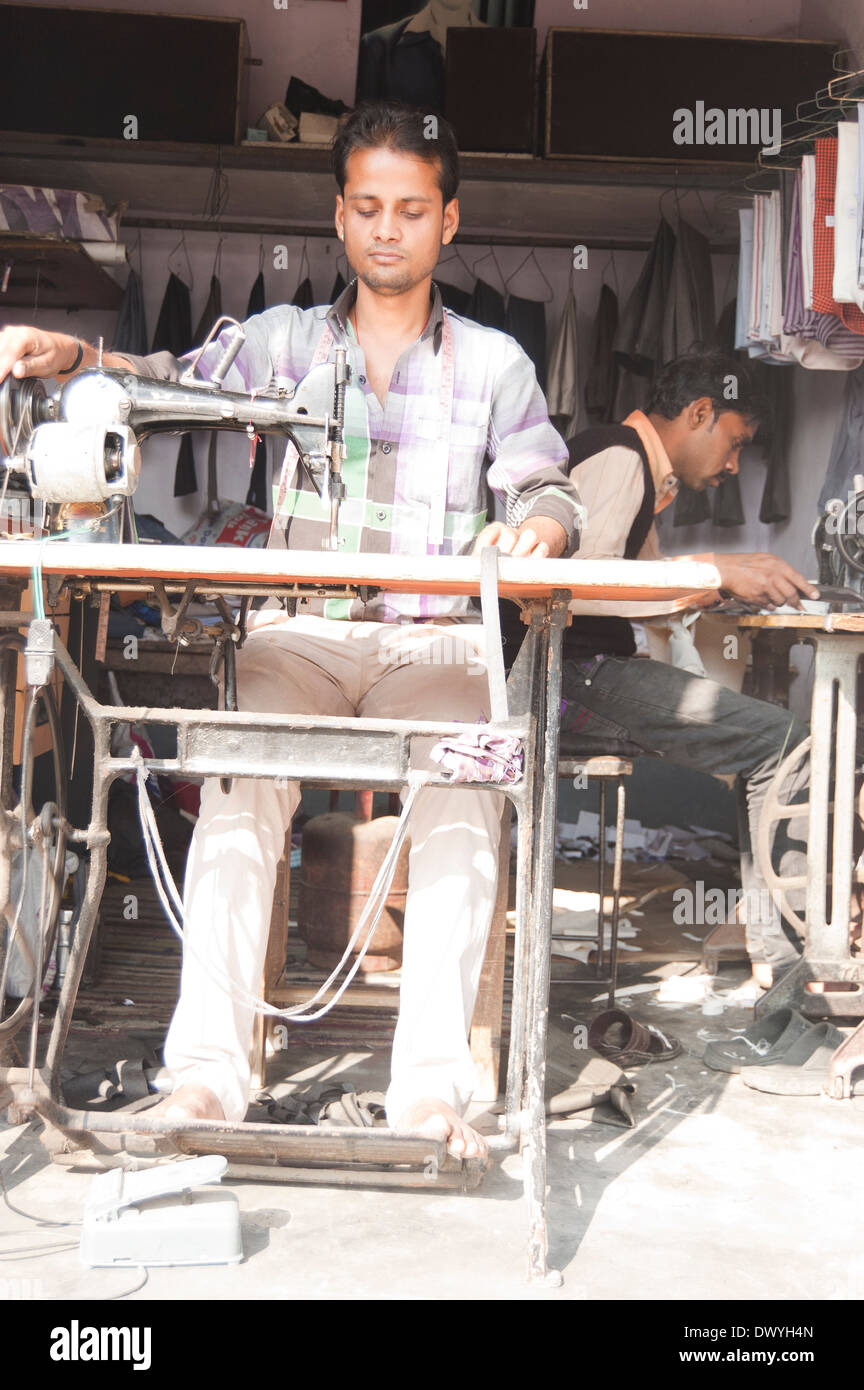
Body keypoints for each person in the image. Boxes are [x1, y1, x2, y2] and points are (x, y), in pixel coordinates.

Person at [0, 101, 583, 1159]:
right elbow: (166, 380)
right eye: (368, 207)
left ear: (449, 221)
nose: (388, 229)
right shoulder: (280, 344)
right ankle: (209, 1079)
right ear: (339, 216)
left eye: (412, 209)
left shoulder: (497, 365)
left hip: (434, 639)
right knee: (237, 792)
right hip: (301, 638)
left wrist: (541, 524)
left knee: (465, 798)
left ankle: (429, 1095)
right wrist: (70, 354)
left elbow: (551, 484)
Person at [503, 349, 818, 991]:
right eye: (733, 444)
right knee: (782, 740)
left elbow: (640, 588)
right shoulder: (619, 456)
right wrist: (709, 570)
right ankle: (787, 958)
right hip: (565, 675)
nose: (733, 466)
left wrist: (712, 587)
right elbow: (566, 587)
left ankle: (772, 938)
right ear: (700, 412)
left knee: (765, 739)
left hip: (580, 671)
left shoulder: (641, 468)